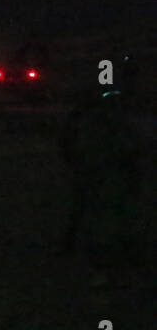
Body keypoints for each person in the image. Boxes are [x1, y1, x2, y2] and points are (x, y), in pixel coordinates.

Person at [59, 55, 149, 268]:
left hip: (105, 164)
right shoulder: (111, 110)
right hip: (105, 164)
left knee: (103, 208)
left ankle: (95, 247)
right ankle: (104, 250)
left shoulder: (103, 109)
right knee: (105, 208)